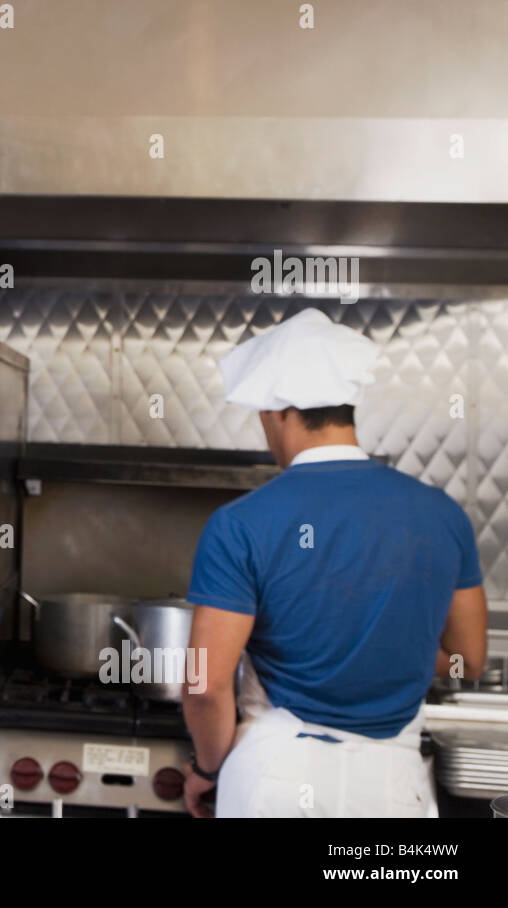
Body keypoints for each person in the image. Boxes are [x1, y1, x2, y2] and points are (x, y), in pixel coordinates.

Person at [180, 308, 487, 818]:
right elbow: (467, 660)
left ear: (277, 412)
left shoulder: (240, 524)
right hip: (392, 790)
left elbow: (205, 685)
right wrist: (388, 649)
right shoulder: (442, 515)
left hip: (273, 781)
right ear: (347, 407)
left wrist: (207, 769)